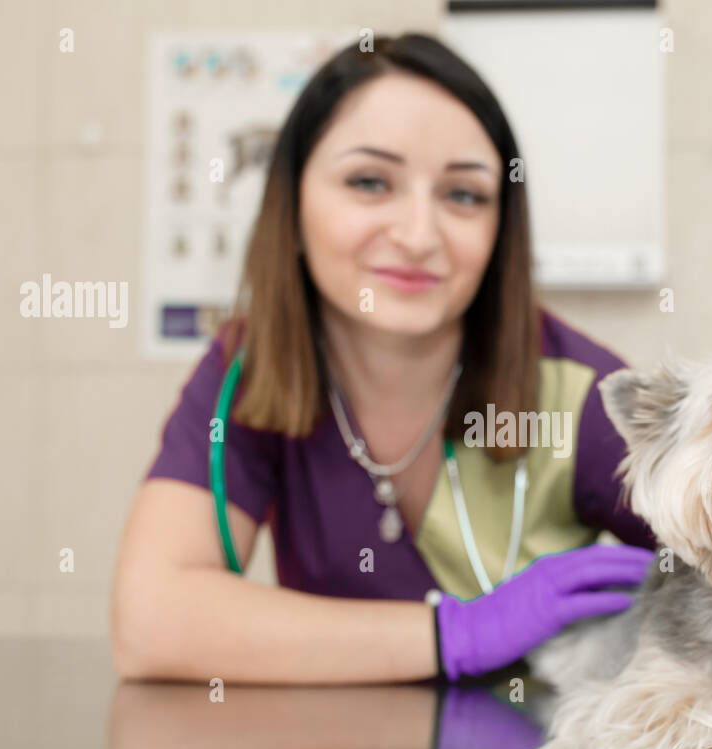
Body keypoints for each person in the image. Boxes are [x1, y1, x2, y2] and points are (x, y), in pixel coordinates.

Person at [110, 33, 656, 685]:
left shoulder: (581, 391)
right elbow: (152, 622)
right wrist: (455, 634)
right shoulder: (249, 370)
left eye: (464, 196)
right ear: (293, 203)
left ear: (500, 228)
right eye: (370, 182)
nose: (419, 236)